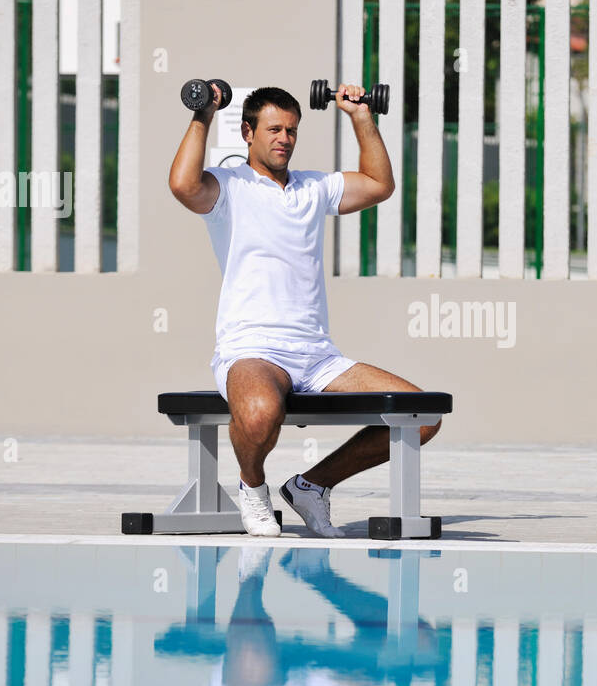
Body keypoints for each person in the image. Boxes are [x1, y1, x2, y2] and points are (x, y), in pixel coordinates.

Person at [168, 82, 441, 538]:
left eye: (292, 130)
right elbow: (182, 184)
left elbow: (379, 185)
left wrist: (360, 117)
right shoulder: (228, 187)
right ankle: (253, 491)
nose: (284, 138)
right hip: (253, 349)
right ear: (248, 132)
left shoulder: (314, 187)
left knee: (423, 416)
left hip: (317, 355)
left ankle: (311, 486)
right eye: (274, 129)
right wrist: (203, 113)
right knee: (257, 412)